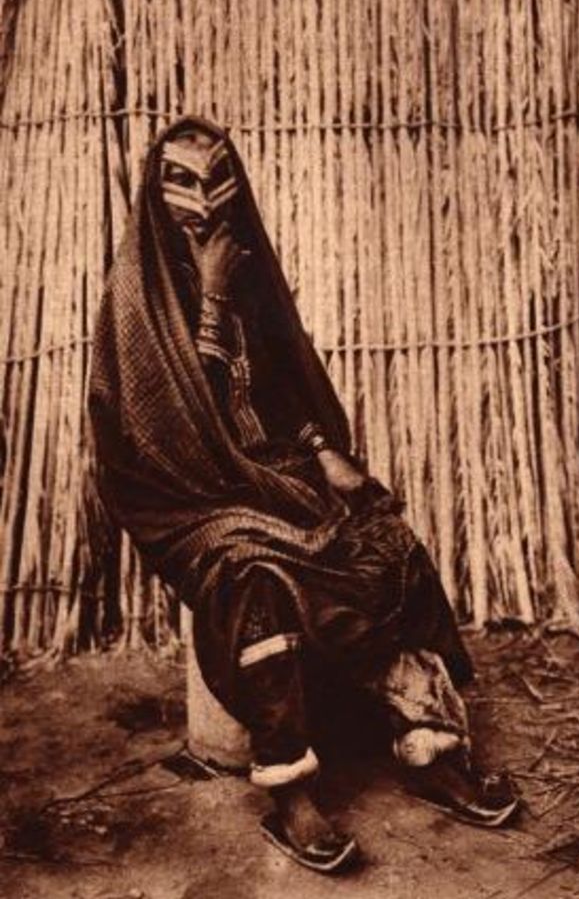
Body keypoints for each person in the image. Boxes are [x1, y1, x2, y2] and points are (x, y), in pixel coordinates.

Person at [89, 116, 518, 874]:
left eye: (215, 175)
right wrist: (213, 295)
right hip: (187, 498)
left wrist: (323, 453)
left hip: (270, 471)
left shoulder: (247, 270)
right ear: (154, 191)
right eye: (179, 178)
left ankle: (430, 745)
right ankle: (292, 794)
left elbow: (285, 384)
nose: (201, 197)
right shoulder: (138, 296)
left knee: (379, 535)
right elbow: (169, 424)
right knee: (252, 576)